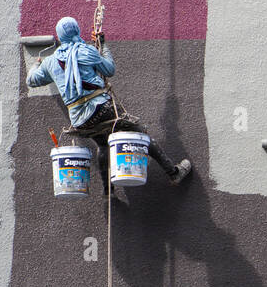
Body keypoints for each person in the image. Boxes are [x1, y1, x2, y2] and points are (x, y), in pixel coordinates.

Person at [27, 16, 191, 189]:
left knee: (102, 144)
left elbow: (31, 80)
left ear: (59, 36)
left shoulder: (50, 62)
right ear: (77, 31)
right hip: (102, 108)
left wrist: (36, 64)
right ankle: (173, 173)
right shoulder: (86, 51)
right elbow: (109, 69)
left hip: (79, 120)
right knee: (140, 133)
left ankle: (108, 191)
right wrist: (103, 45)